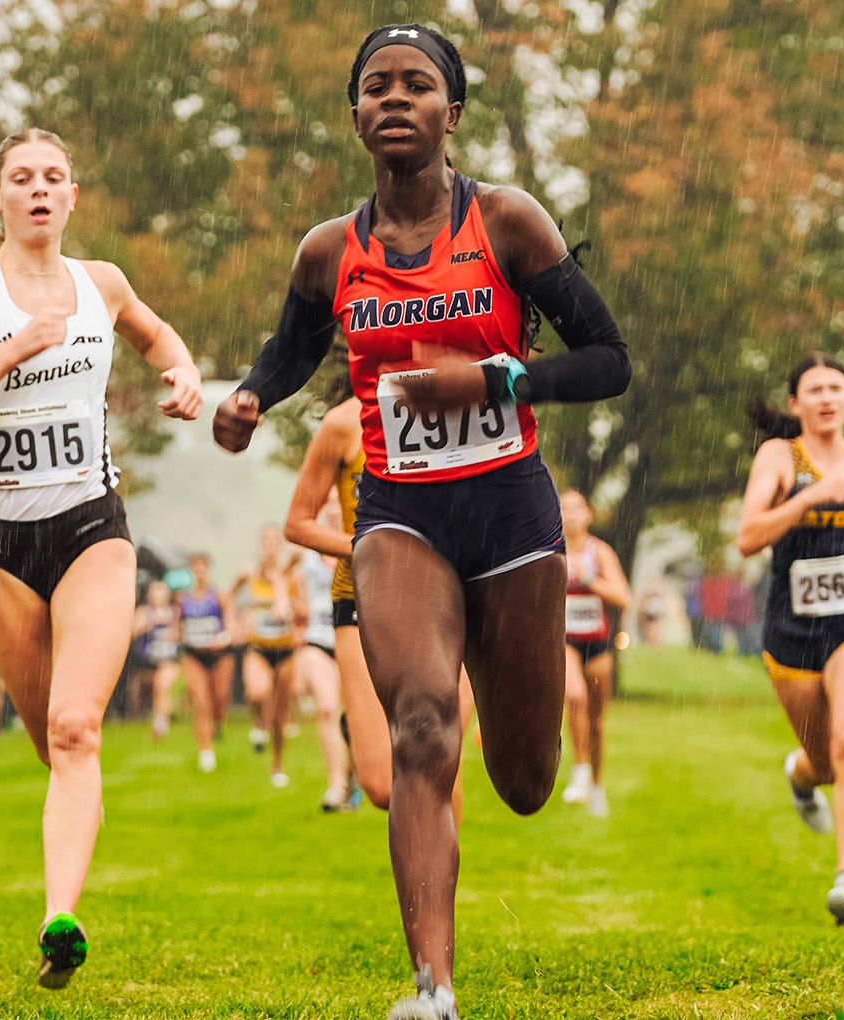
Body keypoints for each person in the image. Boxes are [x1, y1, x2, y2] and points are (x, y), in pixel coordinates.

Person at [213, 23, 630, 1016]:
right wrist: (245, 403)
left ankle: (525, 755)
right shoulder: (330, 252)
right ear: (355, 116)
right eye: (375, 87)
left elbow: (609, 360)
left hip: (513, 512)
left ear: (453, 112)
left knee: (525, 776)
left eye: (416, 85)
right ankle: (432, 987)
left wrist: (494, 378)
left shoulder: (510, 224)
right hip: (401, 515)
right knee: (422, 727)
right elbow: (288, 355)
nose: (394, 99)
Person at [0, 126, 203, 988]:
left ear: (73, 197)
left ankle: (58, 920)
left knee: (77, 728)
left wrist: (181, 372)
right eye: (21, 178)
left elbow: (154, 334)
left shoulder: (101, 283)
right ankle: (76, 821)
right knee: (51, 744)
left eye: (54, 177)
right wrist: (7, 352)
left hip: (90, 528)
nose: (38, 188)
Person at [737, 352, 844, 928]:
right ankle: (801, 775)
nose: (827, 397)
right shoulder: (780, 457)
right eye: (815, 390)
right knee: (825, 763)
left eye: (837, 387)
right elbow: (746, 537)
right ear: (796, 405)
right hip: (791, 632)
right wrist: (812, 495)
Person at [283, 395, 475, 816]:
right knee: (380, 784)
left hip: (443, 594)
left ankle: (437, 883)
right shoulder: (342, 423)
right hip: (361, 595)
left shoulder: (459, 404)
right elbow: (297, 524)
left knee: (439, 758)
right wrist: (374, 546)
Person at [557, 490, 628, 817]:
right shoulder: (551, 549)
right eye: (564, 509)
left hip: (598, 644)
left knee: (598, 722)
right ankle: (581, 771)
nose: (571, 515)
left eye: (577, 509)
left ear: (588, 514)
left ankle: (597, 785)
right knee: (575, 697)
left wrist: (586, 578)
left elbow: (622, 596)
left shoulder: (599, 553)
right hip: (565, 641)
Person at [287, 525, 353, 810]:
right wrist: (286, 599)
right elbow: (280, 573)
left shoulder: (359, 537)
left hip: (352, 636)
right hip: (318, 639)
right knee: (326, 709)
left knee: (353, 716)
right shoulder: (306, 552)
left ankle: (355, 776)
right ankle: (336, 785)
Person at [231, 524, 300, 782]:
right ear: (260, 544)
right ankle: (259, 726)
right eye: (266, 540)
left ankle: (277, 766)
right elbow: (228, 597)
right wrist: (234, 623)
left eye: (275, 540)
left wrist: (290, 605)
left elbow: (304, 607)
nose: (270, 544)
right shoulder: (249, 575)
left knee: (281, 716)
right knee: (256, 691)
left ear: (279, 545)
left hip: (285, 648)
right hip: (258, 647)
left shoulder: (292, 576)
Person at [177, 553, 236, 772]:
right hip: (194, 654)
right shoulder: (184, 599)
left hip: (219, 654)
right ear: (192, 570)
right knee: (201, 702)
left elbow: (231, 623)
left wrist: (223, 639)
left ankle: (217, 724)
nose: (200, 571)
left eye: (203, 567)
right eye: (196, 567)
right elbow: (178, 627)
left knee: (219, 700)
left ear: (209, 569)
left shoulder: (218, 595)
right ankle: (206, 751)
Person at [135, 580, 181, 739]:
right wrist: (145, 626)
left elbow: (183, 633)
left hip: (169, 658)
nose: (159, 596)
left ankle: (161, 722)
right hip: (148, 660)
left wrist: (175, 635)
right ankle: (160, 718)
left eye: (162, 592)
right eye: (155, 592)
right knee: (155, 690)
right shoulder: (144, 612)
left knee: (163, 686)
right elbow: (132, 631)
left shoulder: (174, 612)